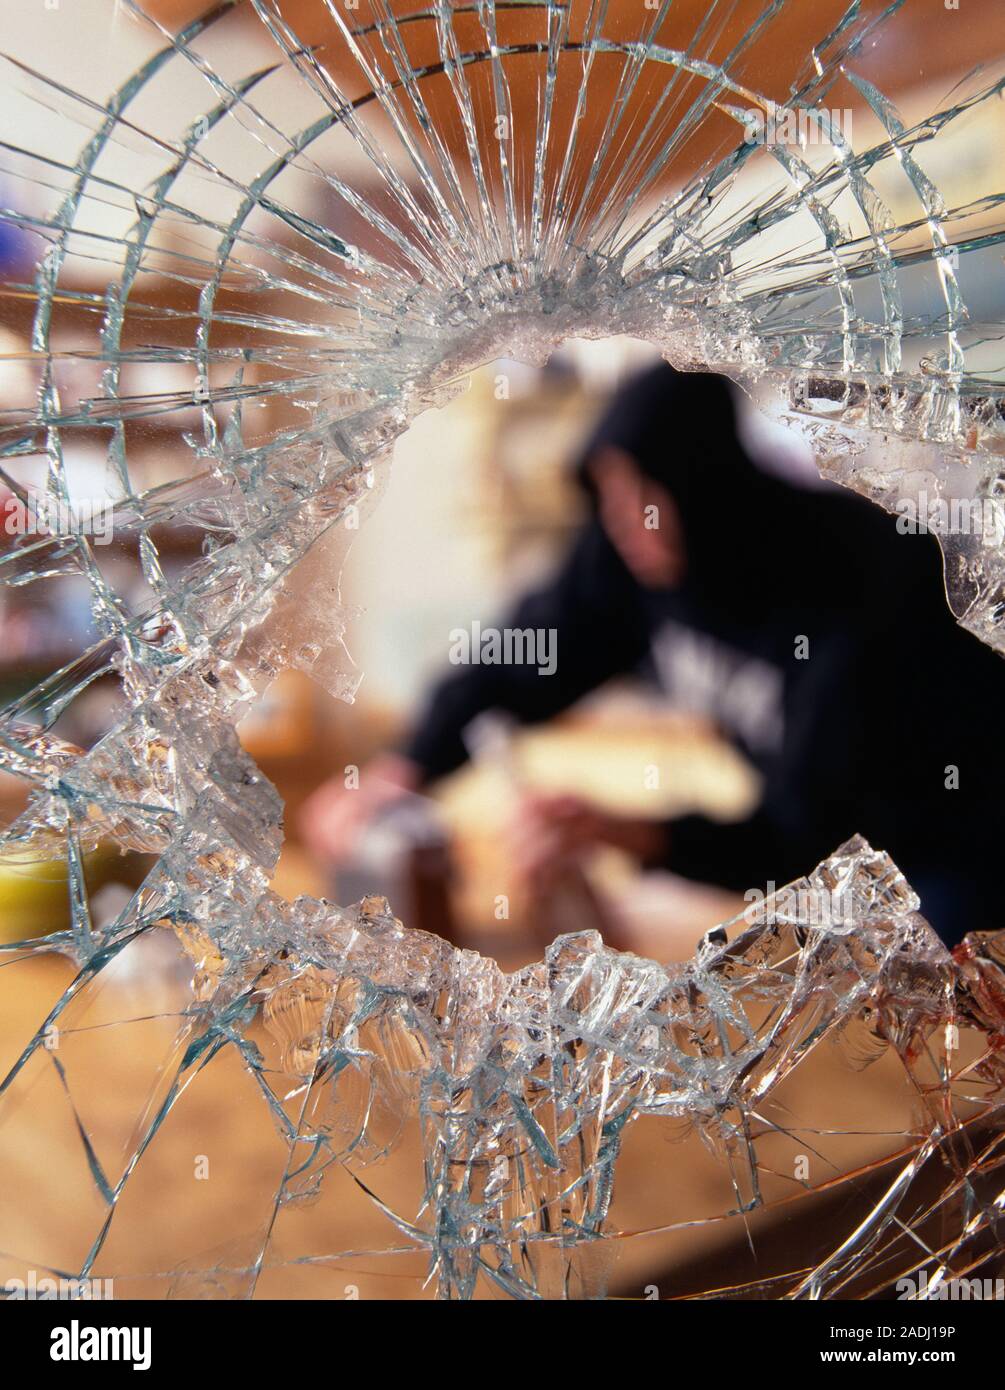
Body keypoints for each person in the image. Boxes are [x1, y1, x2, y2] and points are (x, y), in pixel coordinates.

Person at [301, 361, 1003, 948]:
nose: (630, 518)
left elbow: (801, 843)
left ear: (711, 486)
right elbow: (517, 661)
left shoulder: (850, 583)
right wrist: (405, 769)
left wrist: (628, 831)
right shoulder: (629, 554)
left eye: (650, 492)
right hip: (823, 842)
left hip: (954, 832)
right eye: (609, 492)